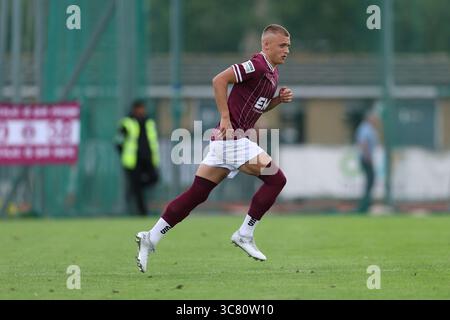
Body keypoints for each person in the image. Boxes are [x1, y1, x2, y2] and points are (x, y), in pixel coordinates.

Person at [135, 24, 293, 272]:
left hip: (227, 142)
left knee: (197, 194)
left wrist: (277, 101)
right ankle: (245, 233)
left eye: (288, 46)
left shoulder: (272, 74)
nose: (286, 50)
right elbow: (219, 80)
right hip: (233, 138)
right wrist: (225, 118)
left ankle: (151, 237)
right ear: (266, 45)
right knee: (276, 180)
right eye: (282, 45)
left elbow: (258, 107)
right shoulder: (257, 65)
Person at [116, 100, 160, 216]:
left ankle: (134, 188)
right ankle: (143, 213)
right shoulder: (126, 123)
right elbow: (118, 141)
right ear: (134, 109)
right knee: (138, 190)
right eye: (140, 108)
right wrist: (123, 154)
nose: (142, 111)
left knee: (154, 178)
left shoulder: (149, 122)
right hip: (132, 161)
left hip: (148, 159)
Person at [355, 111, 380, 213]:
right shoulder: (365, 128)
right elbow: (363, 142)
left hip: (367, 157)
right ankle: (364, 206)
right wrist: (367, 156)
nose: (376, 121)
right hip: (366, 158)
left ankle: (366, 205)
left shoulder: (369, 128)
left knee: (370, 181)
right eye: (374, 119)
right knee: (370, 181)